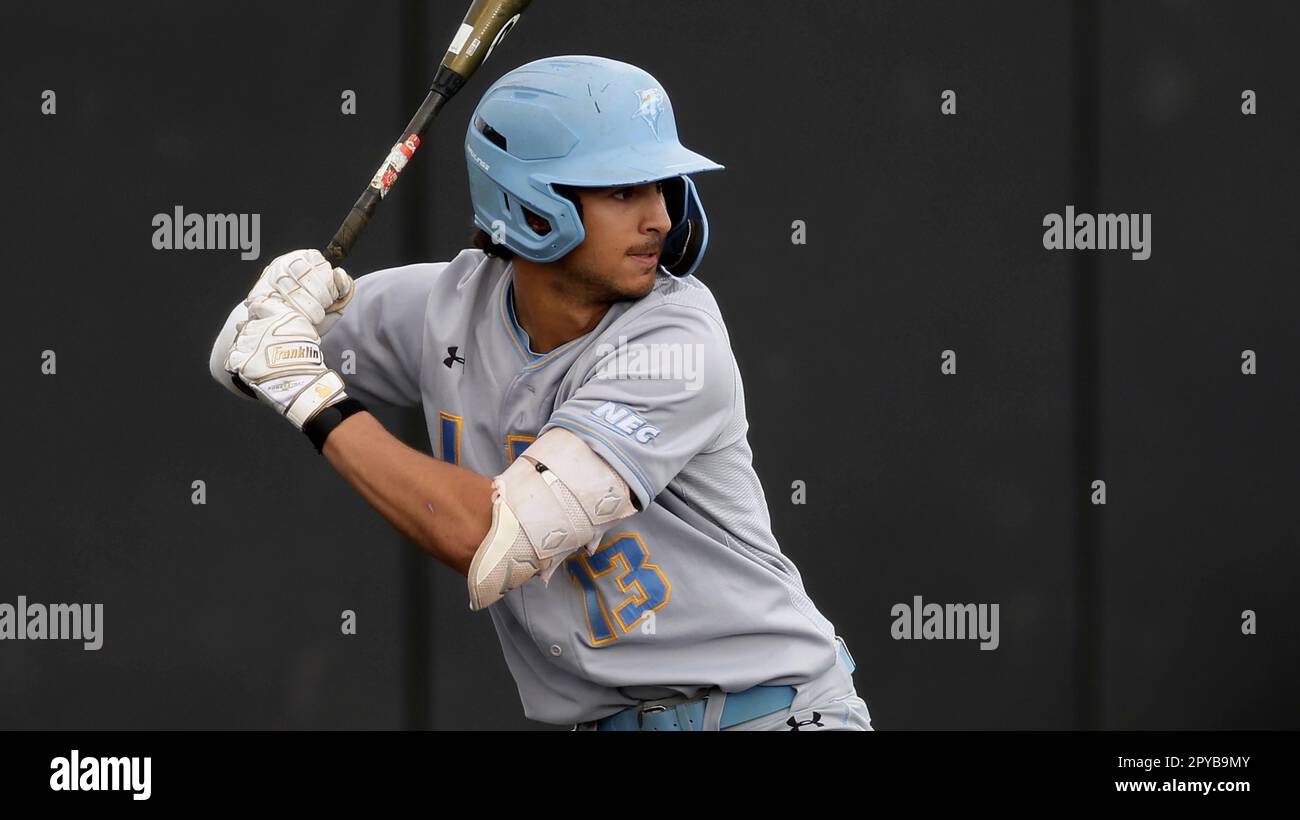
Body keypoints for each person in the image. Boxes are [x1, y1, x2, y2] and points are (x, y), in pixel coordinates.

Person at [209, 55, 872, 731]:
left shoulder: (677, 340)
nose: (660, 220)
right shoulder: (448, 307)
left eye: (660, 187)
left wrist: (316, 401)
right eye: (622, 192)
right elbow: (241, 357)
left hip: (771, 715)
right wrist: (281, 306)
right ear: (529, 205)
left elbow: (492, 537)